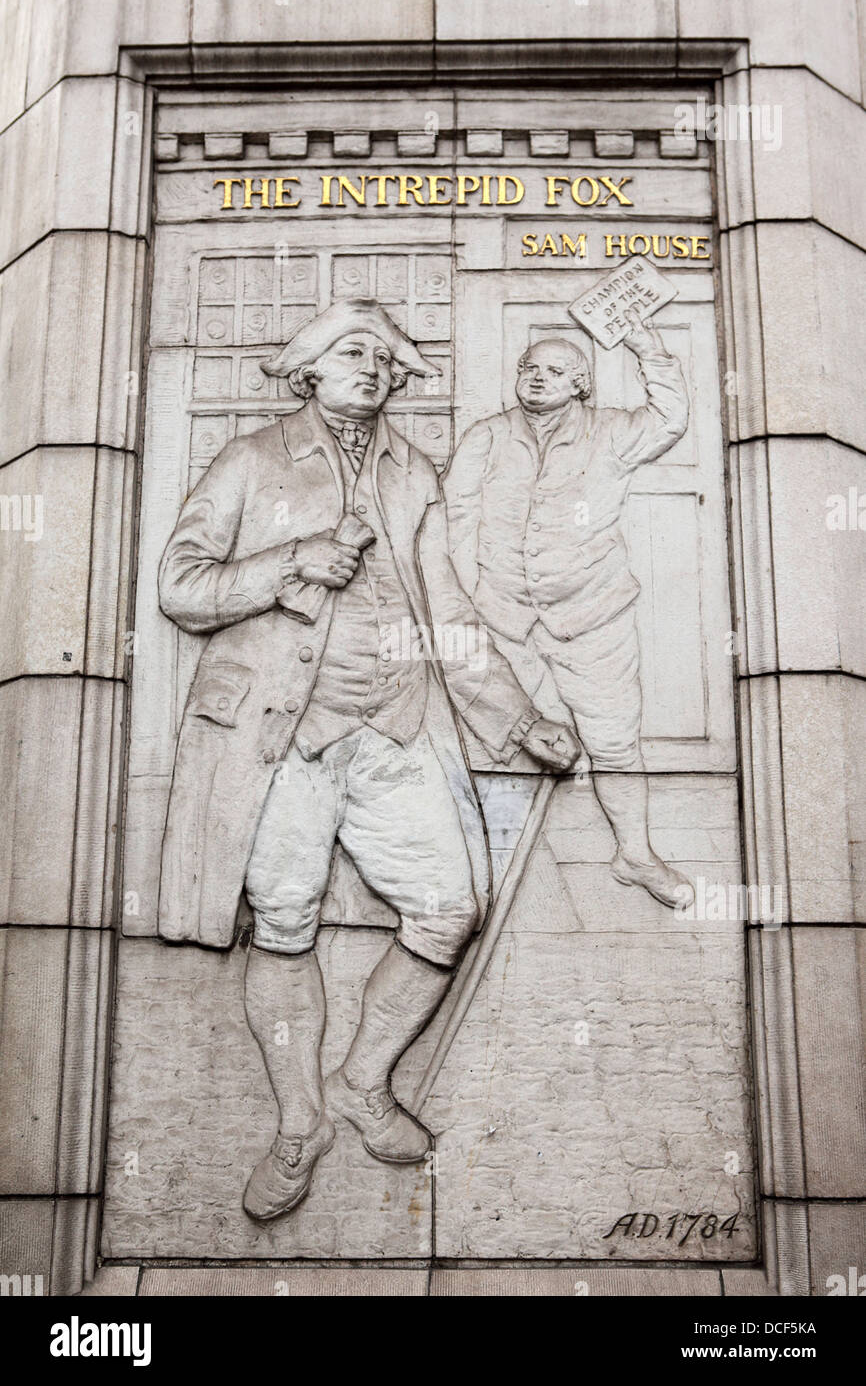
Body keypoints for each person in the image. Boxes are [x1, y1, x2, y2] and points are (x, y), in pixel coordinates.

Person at [156, 298, 579, 1221]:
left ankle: (363, 1080)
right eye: (356, 352)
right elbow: (181, 588)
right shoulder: (251, 460)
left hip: (394, 722)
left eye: (388, 360)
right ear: (309, 365)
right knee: (283, 918)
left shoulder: (413, 471)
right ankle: (298, 1120)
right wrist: (292, 559)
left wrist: (516, 720)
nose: (375, 369)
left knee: (451, 906)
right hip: (280, 734)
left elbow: (450, 614)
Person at [444, 309, 694, 909]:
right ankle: (468, 871)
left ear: (581, 383)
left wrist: (647, 347)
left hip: (591, 615)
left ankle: (635, 854)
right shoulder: (486, 435)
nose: (537, 378)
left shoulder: (612, 430)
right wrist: (467, 602)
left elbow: (672, 418)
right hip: (502, 617)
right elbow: (455, 520)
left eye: (555, 371)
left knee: (612, 741)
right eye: (529, 368)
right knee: (488, 736)